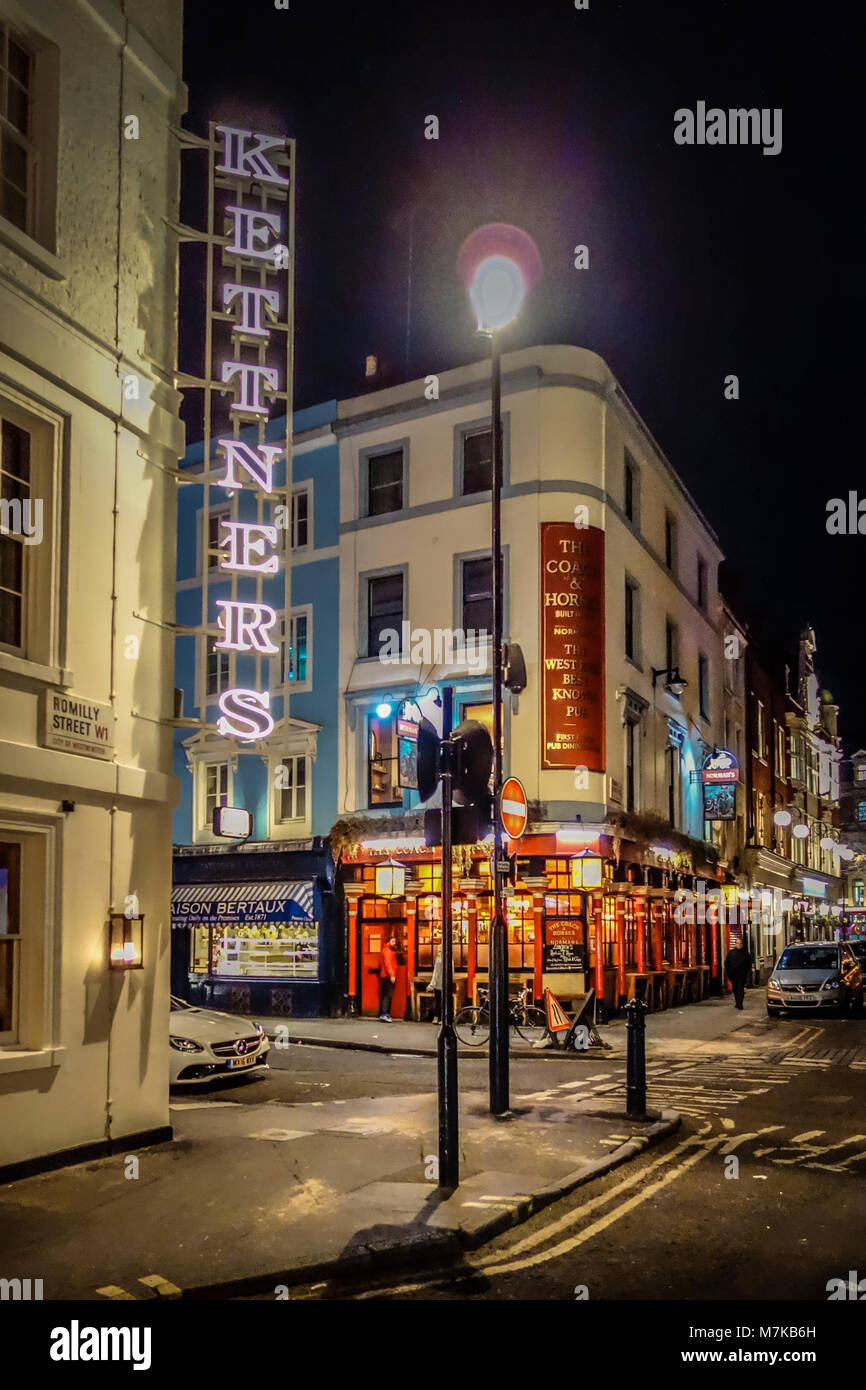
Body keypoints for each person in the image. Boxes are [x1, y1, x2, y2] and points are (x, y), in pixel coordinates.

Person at [724, 937, 752, 1010]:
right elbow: (727, 963)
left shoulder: (746, 953)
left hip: (742, 975)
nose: (739, 945)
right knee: (735, 989)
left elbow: (748, 964)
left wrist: (747, 973)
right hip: (733, 975)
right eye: (737, 943)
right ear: (735, 944)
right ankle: (737, 1002)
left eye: (740, 943)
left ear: (742, 944)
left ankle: (740, 1004)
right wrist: (728, 973)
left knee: (740, 989)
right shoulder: (731, 953)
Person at [378, 935, 398, 1021]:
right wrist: (392, 975)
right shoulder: (387, 951)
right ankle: (384, 1014)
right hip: (387, 976)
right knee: (388, 995)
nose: (394, 943)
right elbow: (388, 963)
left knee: (385, 995)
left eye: (395, 941)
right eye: (393, 941)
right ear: (388, 942)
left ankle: (384, 1013)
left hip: (385, 976)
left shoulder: (386, 950)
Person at [426, 946, 443, 1022]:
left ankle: (436, 1017)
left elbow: (435, 973)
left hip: (438, 984)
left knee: (437, 1000)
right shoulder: (450, 959)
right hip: (445, 984)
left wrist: (431, 985)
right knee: (444, 1001)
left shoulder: (438, 959)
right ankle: (442, 1018)